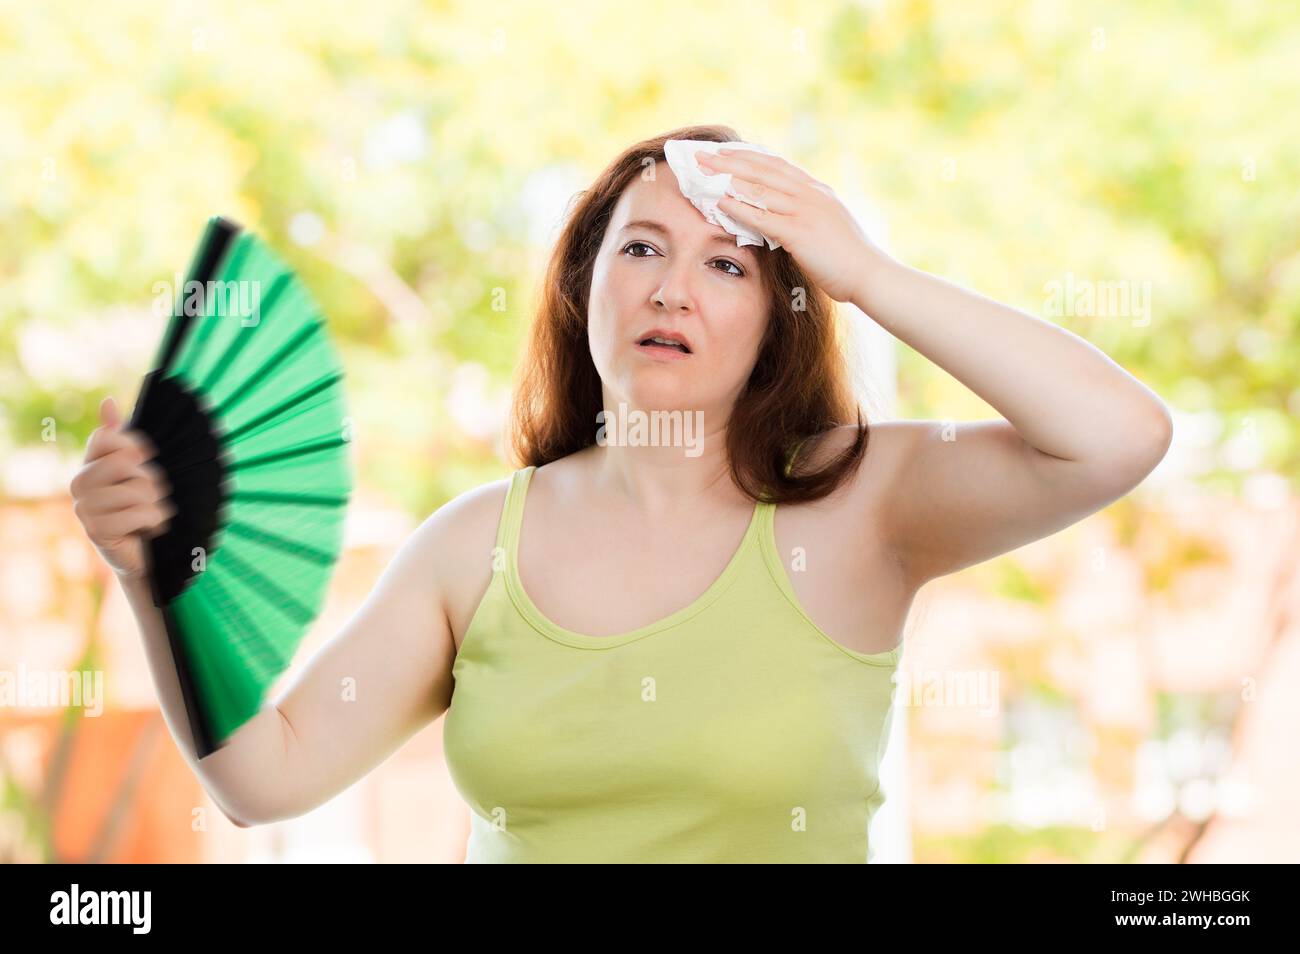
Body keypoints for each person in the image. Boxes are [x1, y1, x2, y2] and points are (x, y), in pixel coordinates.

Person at [69, 124, 1172, 862]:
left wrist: (864, 271)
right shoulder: (472, 548)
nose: (671, 288)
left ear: (781, 314)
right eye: (641, 247)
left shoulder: (866, 503)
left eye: (729, 263)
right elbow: (266, 777)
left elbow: (1118, 437)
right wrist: (152, 576)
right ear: (585, 288)